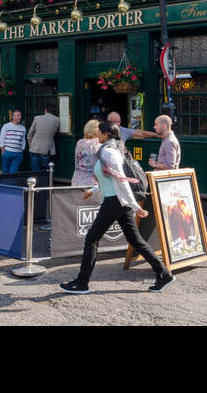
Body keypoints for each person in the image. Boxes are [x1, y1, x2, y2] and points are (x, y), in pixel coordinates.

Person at [59, 122, 174, 294]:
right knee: (135, 240)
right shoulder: (111, 149)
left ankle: (82, 283)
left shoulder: (108, 152)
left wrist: (135, 206)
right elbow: (111, 179)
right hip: (119, 200)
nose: (96, 133)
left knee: (91, 239)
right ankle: (164, 274)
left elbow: (121, 181)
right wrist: (93, 190)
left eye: (99, 131)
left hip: (115, 201)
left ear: (105, 134)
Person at [25, 108, 60, 172]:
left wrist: (31, 144)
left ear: (45, 110)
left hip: (34, 148)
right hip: (46, 149)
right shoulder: (57, 120)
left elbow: (29, 134)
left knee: (34, 171)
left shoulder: (37, 118)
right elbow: (55, 132)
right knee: (46, 171)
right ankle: (45, 182)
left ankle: (35, 182)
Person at [72, 120, 102, 187]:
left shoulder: (79, 142)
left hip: (77, 181)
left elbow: (77, 160)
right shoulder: (99, 144)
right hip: (93, 183)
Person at [0, 109, 27, 173]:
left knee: (13, 171)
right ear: (13, 117)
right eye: (18, 115)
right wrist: (3, 152)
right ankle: (4, 183)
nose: (20, 117)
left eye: (20, 115)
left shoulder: (23, 128)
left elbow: (23, 140)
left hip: (18, 154)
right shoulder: (6, 126)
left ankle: (11, 183)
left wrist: (22, 150)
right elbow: (1, 139)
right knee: (5, 170)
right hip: (7, 152)